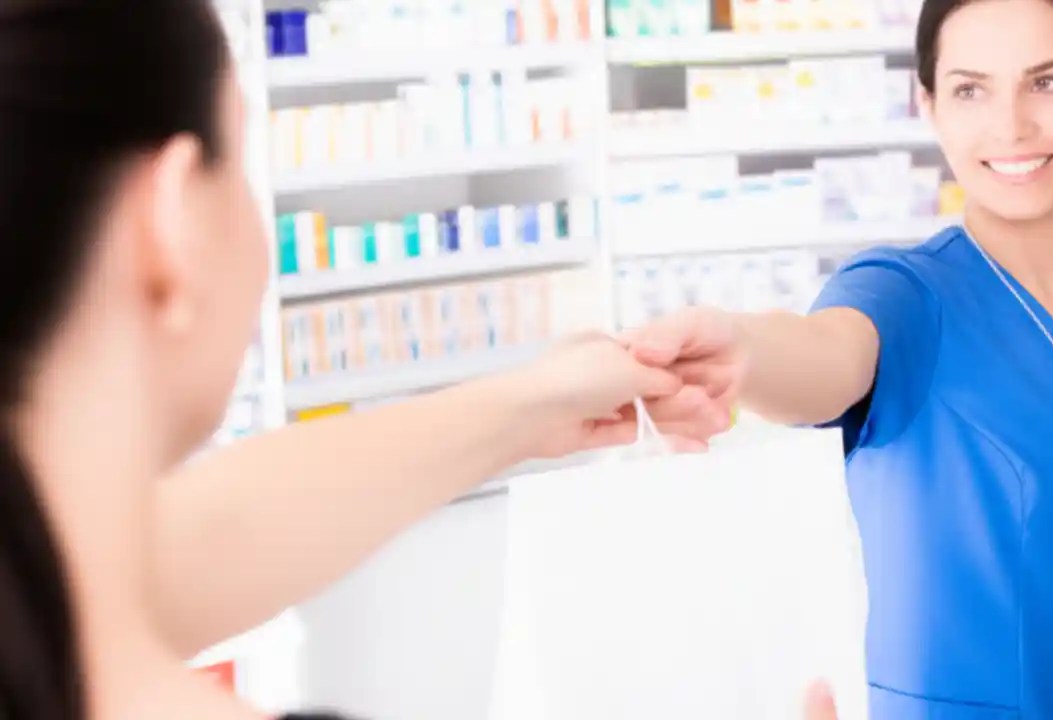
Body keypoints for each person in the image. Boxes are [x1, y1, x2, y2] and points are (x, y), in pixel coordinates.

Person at [0, 1, 728, 719]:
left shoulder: (46, 588)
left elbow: (210, 536)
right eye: (242, 168)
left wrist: (533, 403)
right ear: (172, 227)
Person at [627, 0, 1053, 718]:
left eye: (1048, 83)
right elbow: (826, 357)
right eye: (971, 89)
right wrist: (743, 352)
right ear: (931, 106)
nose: (1010, 124)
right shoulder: (906, 296)